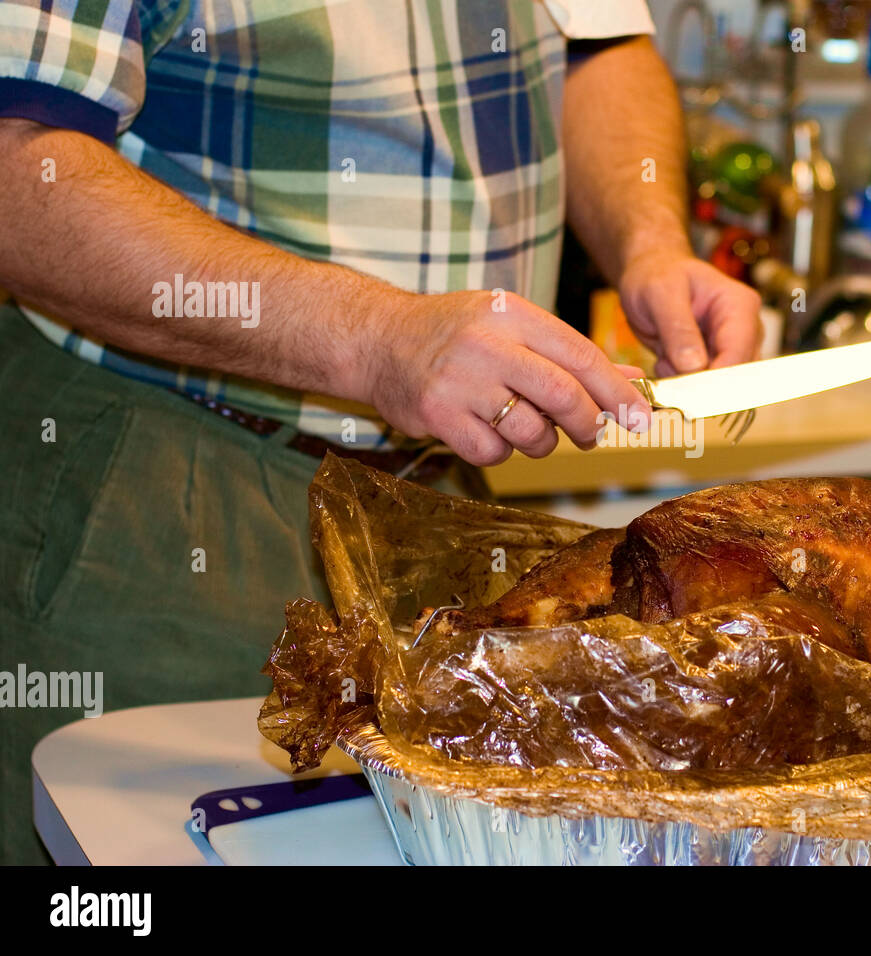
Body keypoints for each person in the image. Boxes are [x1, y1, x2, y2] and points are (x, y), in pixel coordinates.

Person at [0, 0, 760, 864]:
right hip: (164, 496)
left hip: (446, 497)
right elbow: (16, 165)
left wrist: (650, 242)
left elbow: (598, 46)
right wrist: (377, 339)